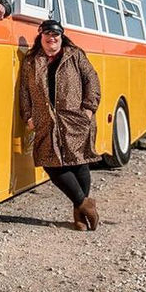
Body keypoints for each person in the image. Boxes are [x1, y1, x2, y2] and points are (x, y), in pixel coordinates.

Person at [19, 19, 102, 230]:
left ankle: (79, 215)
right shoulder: (31, 61)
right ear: (41, 37)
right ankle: (85, 204)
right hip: (45, 120)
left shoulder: (75, 55)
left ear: (61, 36)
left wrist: (89, 108)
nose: (51, 37)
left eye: (55, 34)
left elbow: (92, 80)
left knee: (78, 162)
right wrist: (27, 115)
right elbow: (24, 91)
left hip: (75, 118)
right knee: (50, 163)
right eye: (47, 34)